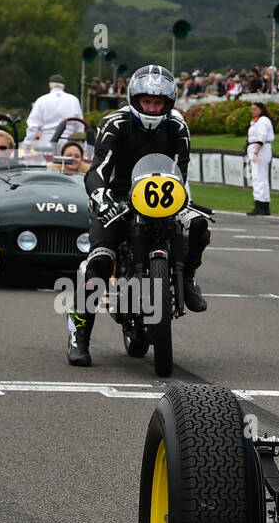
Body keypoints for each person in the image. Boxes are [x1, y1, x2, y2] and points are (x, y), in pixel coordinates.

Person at [69, 64, 210, 367]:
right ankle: (78, 337)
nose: (152, 107)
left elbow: (182, 174)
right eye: (147, 101)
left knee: (198, 226)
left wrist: (187, 202)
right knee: (98, 264)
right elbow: (97, 171)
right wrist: (103, 200)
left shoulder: (178, 128)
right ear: (135, 99)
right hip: (118, 197)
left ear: (168, 104)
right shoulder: (115, 123)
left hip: (163, 195)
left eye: (158, 103)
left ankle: (187, 281)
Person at [25, 74, 85, 151]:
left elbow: (33, 126)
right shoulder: (74, 100)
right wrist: (80, 145)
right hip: (68, 142)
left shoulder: (41, 100)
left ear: (50, 85)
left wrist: (27, 144)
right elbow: (80, 126)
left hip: (46, 141)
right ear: (63, 86)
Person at [246, 102, 274, 216]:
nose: (252, 111)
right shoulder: (256, 121)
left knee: (258, 178)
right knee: (261, 178)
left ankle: (260, 205)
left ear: (261, 110)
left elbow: (262, 136)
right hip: (256, 147)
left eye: (255, 109)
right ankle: (264, 204)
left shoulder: (263, 120)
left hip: (260, 149)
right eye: (252, 109)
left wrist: (256, 151)